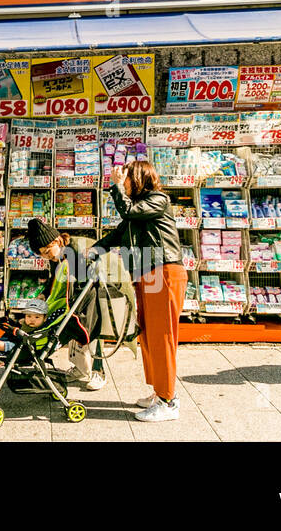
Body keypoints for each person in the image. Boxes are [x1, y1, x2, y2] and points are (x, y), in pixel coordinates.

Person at [94, 159, 185, 422]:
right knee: (148, 336)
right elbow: (117, 235)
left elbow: (129, 213)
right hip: (146, 272)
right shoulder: (139, 210)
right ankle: (160, 392)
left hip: (163, 271)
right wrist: (90, 250)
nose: (124, 182)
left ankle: (168, 401)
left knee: (161, 337)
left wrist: (115, 187)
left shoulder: (158, 200)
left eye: (127, 178)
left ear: (140, 178)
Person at [0, 221, 104, 390]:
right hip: (69, 304)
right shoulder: (57, 257)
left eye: (47, 252)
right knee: (74, 336)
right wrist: (45, 293)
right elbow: (55, 278)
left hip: (93, 297)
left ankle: (99, 372)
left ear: (56, 241)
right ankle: (81, 369)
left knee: (94, 333)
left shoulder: (77, 252)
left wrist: (70, 306)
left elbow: (83, 284)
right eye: (42, 255)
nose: (46, 257)